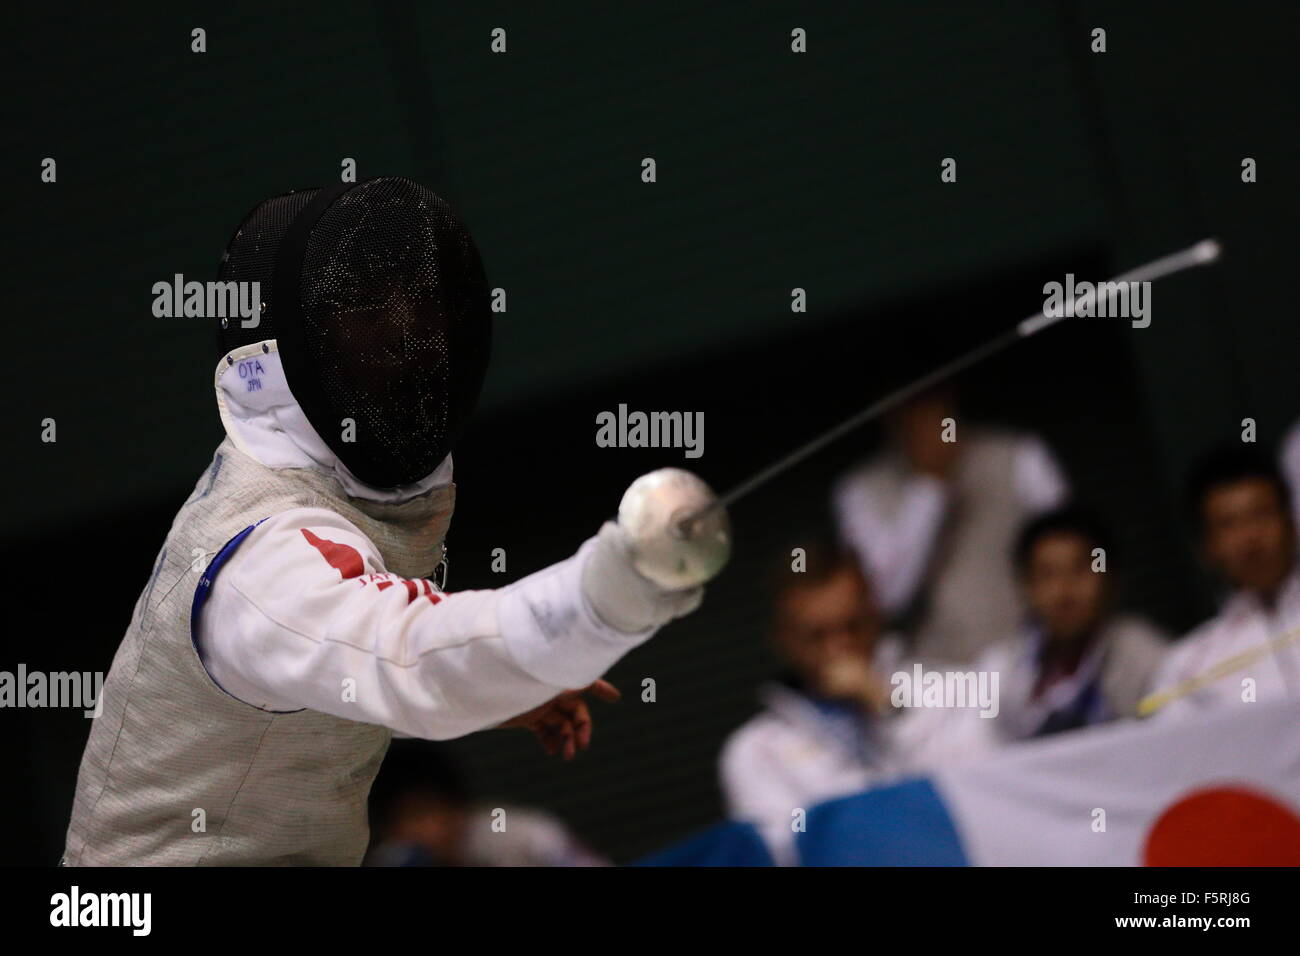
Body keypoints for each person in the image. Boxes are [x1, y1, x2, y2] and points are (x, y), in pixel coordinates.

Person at [63, 178, 718, 866]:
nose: (410, 338)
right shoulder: (260, 557)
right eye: (368, 315)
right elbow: (409, 659)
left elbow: (331, 675)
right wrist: (610, 594)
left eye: (424, 308)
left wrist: (498, 686)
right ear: (289, 347)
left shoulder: (329, 497)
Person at [832, 383, 1067, 665]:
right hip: (936, 680)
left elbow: (1068, 565)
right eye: (908, 406)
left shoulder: (1017, 455)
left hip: (1030, 658)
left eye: (929, 400)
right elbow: (886, 599)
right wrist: (929, 488)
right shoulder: (860, 491)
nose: (923, 417)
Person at [718, 541, 902, 862]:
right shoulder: (756, 752)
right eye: (817, 635)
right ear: (782, 639)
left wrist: (891, 710)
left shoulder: (941, 696)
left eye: (851, 626)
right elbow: (787, 853)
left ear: (875, 616)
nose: (839, 648)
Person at [972, 507, 1167, 738]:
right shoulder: (1000, 669)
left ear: (1109, 577)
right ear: (1026, 587)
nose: (1064, 592)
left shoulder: (1149, 660)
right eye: (1047, 574)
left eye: (1080, 569)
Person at [1148, 445, 1300, 720]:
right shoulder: (1186, 666)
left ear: (1292, 522)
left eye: (1261, 514)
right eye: (1229, 524)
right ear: (1206, 547)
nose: (1251, 538)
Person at [366, 741, 606, 867]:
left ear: (454, 805)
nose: (412, 831)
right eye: (397, 821)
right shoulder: (398, 859)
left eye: (419, 815)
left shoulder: (523, 837)